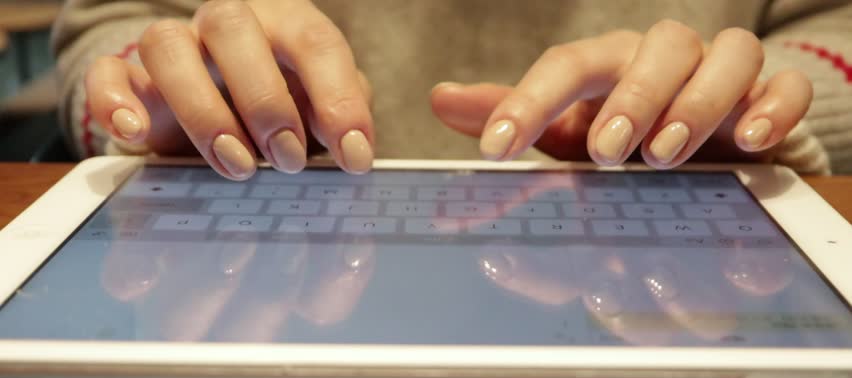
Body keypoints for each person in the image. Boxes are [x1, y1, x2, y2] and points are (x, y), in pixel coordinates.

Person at [52, 0, 852, 179]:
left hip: (671, 288)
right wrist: (162, 99)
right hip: (248, 260)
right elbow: (120, 20)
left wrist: (742, 107)